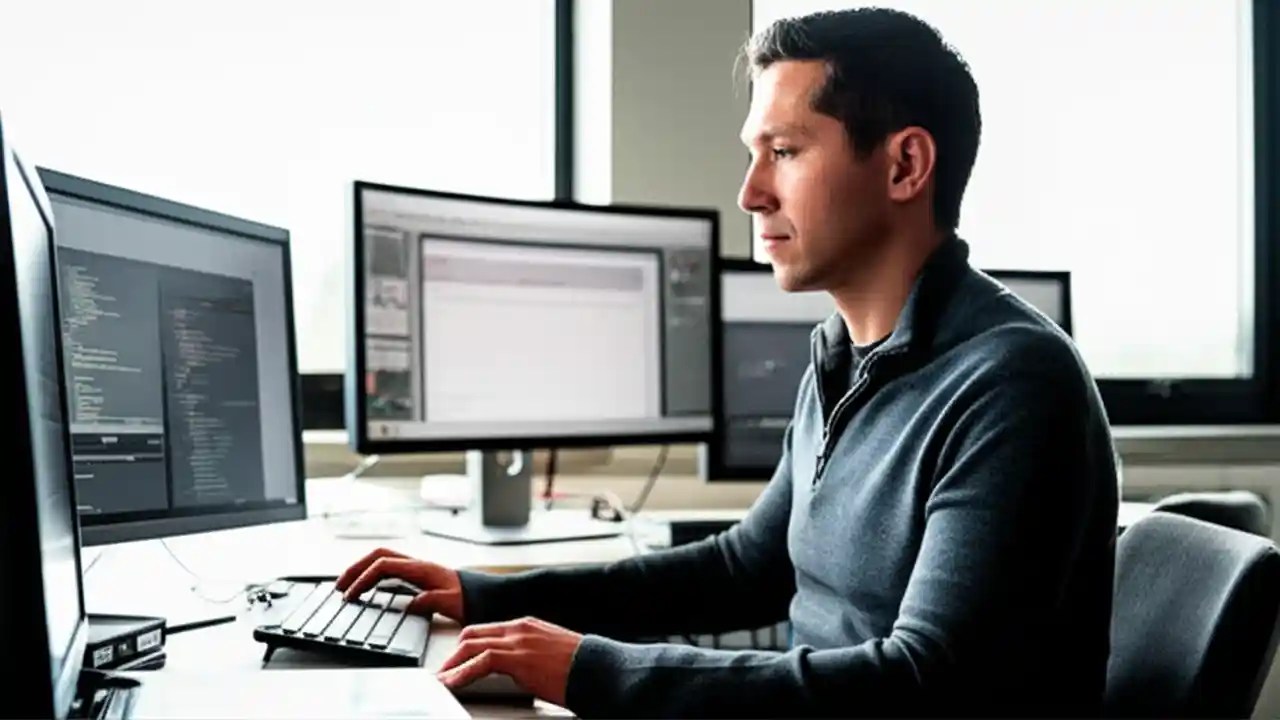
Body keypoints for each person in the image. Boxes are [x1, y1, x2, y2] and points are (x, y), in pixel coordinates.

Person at [337, 7, 1120, 717]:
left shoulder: (1011, 385)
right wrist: (479, 594)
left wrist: (590, 670)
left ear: (904, 166)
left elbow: (925, 681)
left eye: (784, 152)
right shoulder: (845, 357)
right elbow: (745, 567)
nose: (749, 194)